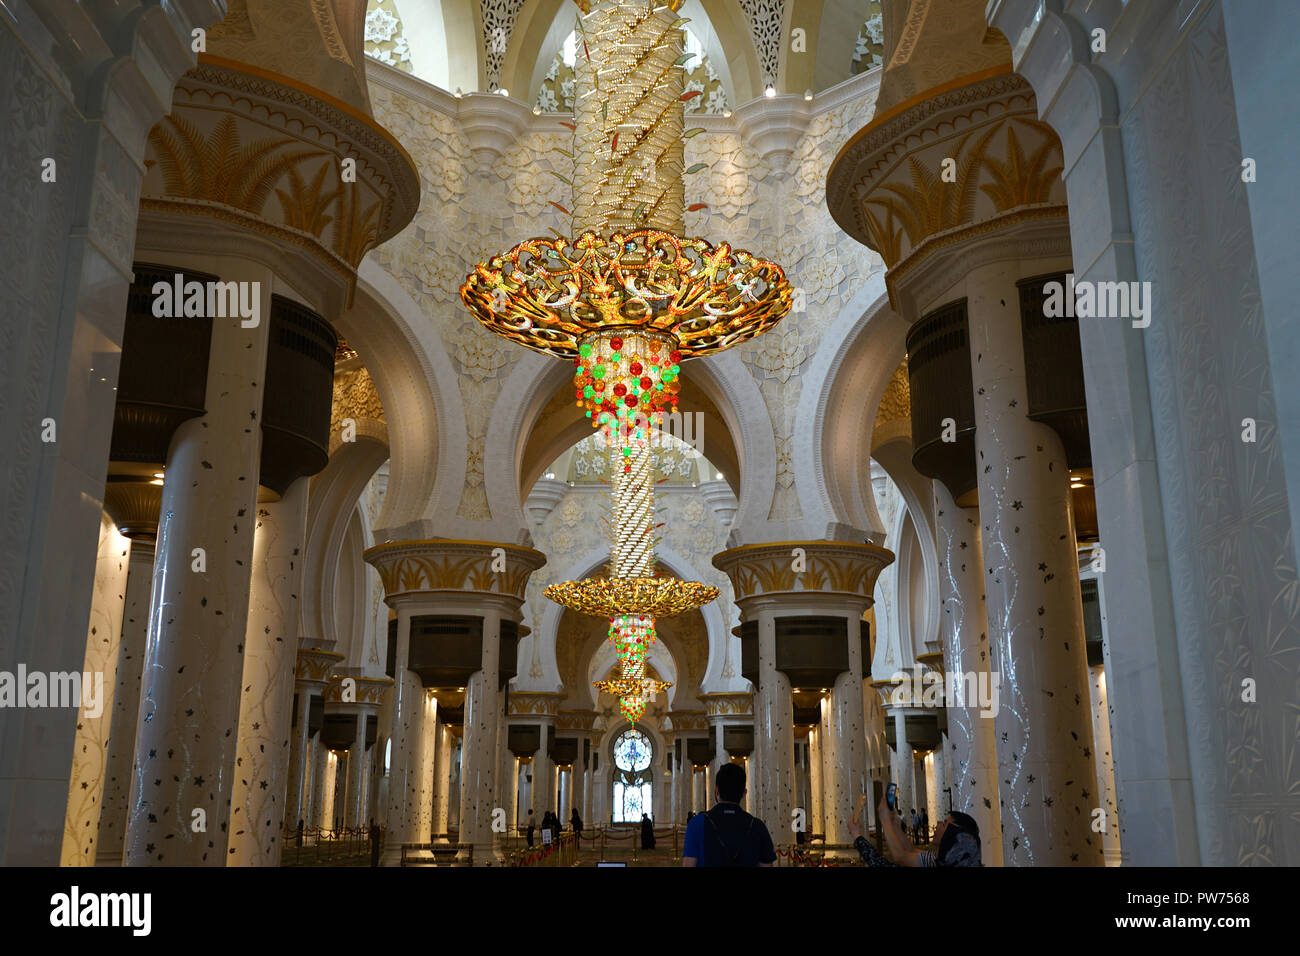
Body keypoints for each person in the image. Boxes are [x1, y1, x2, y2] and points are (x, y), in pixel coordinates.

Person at [681, 762, 777, 867]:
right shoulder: (758, 826)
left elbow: (688, 864)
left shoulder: (696, 824)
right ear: (744, 793)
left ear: (716, 791)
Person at [848, 792, 981, 867]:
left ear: (954, 837)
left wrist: (884, 820)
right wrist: (894, 823)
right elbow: (909, 850)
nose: (939, 825)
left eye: (945, 824)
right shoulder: (940, 859)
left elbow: (899, 858)